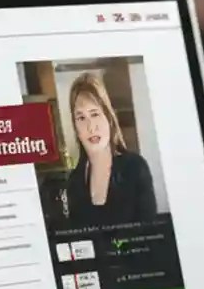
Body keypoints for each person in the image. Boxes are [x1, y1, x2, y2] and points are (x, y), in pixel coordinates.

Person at [42, 71, 157, 229]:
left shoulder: (135, 168)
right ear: (75, 127)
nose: (90, 127)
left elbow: (151, 235)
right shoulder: (74, 182)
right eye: (81, 118)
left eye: (95, 114)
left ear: (108, 118)